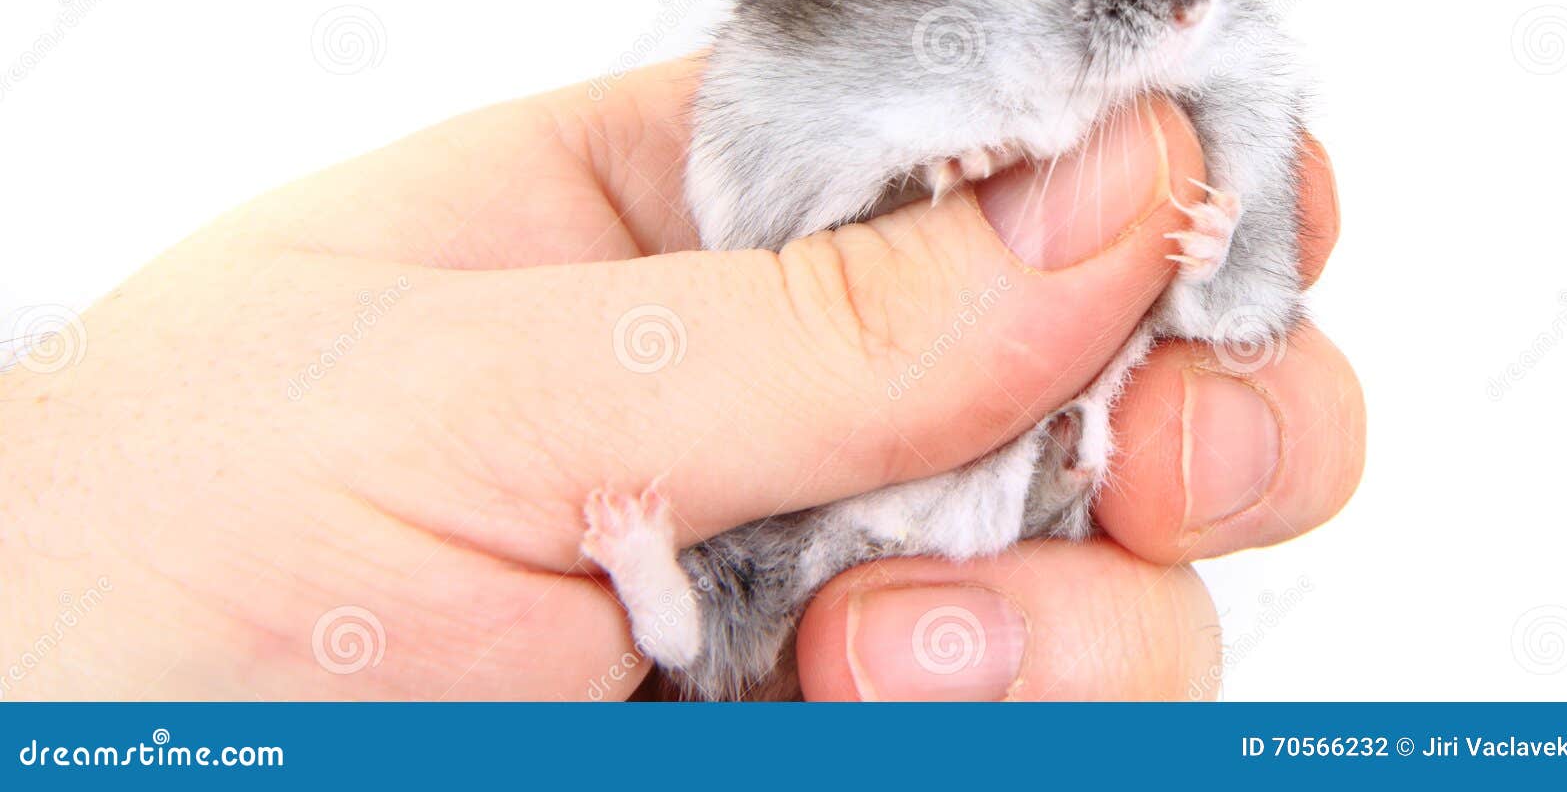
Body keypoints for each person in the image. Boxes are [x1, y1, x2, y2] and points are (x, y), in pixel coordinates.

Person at [0, 56, 1360, 700]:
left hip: (957, 507)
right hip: (767, 584)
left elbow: (1228, 315)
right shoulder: (849, 136)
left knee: (1086, 479)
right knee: (718, 624)